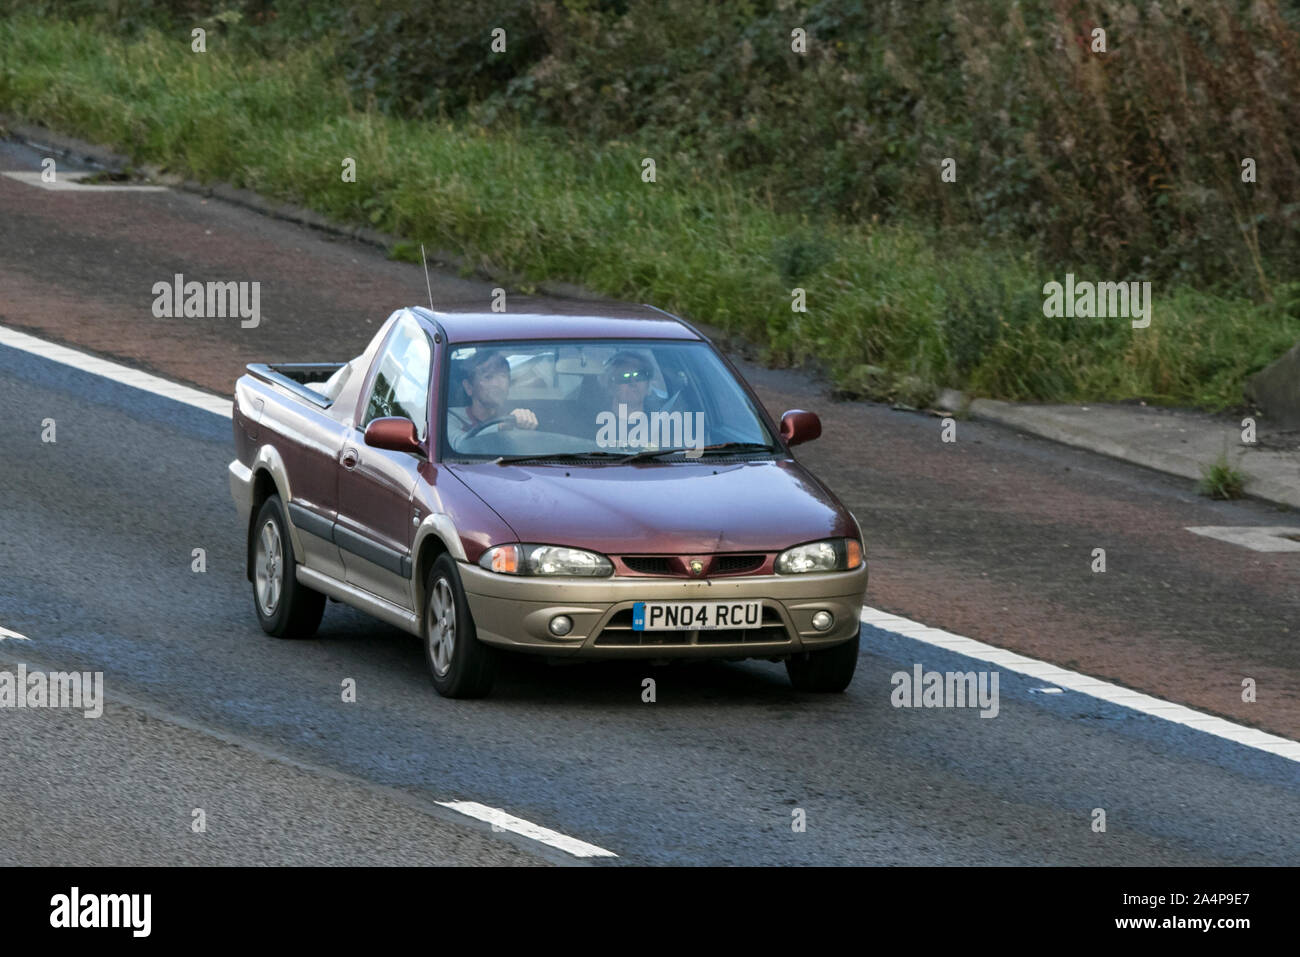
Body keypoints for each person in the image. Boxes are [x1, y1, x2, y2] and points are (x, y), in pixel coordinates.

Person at [447, 350, 538, 446]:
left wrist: (527, 425)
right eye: (488, 377)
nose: (497, 384)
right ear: (469, 387)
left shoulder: (515, 419)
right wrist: (502, 426)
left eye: (503, 376)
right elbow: (459, 444)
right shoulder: (452, 417)